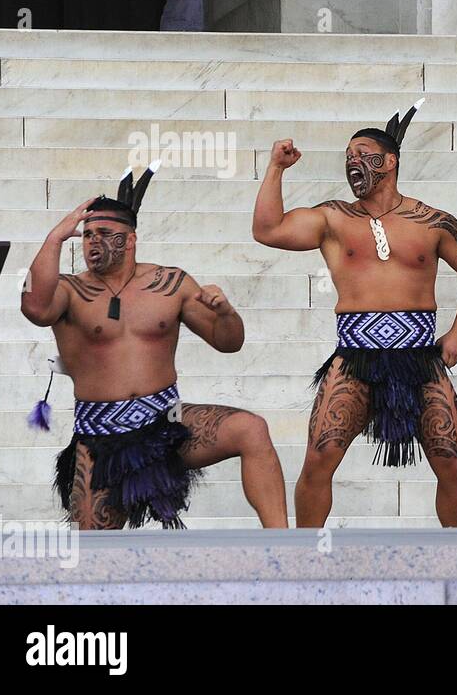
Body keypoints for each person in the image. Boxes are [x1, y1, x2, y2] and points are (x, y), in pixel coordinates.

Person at [253, 102, 457, 527]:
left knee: (453, 464)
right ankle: (306, 555)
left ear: (391, 161)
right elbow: (267, 230)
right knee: (318, 460)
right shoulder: (333, 218)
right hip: (355, 357)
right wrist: (276, 168)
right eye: (348, 158)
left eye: (363, 155)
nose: (354, 163)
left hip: (420, 358)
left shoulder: (432, 220)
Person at [21, 162, 287, 529]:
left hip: (166, 421)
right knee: (94, 555)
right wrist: (54, 238)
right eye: (86, 235)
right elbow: (34, 307)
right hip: (102, 436)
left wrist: (225, 313)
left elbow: (230, 343)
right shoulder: (70, 290)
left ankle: (285, 547)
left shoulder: (170, 283)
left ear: (130, 239)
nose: (92, 242)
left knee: (251, 429)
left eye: (103, 233)